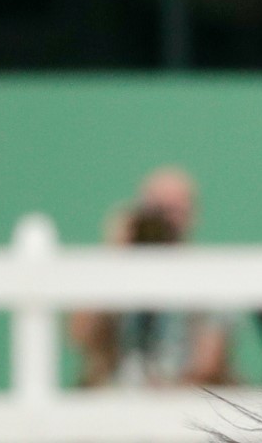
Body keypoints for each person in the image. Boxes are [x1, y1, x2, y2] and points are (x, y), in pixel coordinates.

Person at [70, 166, 235, 387]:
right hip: (115, 397)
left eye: (176, 211)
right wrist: (113, 254)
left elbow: (208, 363)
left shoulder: (210, 278)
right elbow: (81, 335)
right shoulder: (115, 274)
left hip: (183, 398)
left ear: (193, 215)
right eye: (157, 210)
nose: (166, 222)